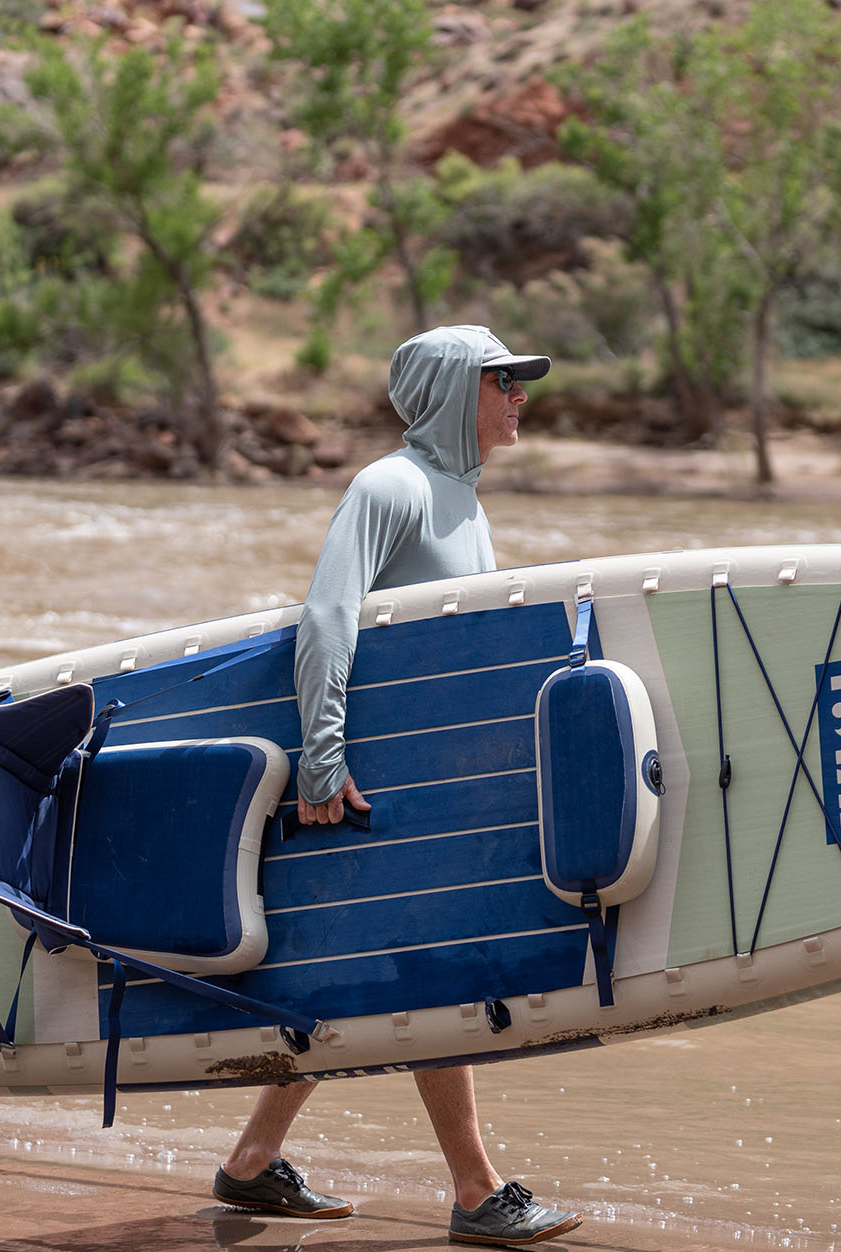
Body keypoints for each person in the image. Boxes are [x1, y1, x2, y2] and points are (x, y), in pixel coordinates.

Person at [211, 326, 584, 1248]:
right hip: (370, 783)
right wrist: (324, 759)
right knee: (432, 969)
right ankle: (475, 1191)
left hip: (431, 784)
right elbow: (326, 619)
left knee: (353, 970)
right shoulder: (392, 486)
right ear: (459, 389)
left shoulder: (459, 497)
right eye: (504, 381)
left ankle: (253, 1164)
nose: (519, 396)